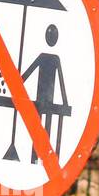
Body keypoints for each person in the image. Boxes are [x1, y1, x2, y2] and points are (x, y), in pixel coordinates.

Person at [20, 24, 70, 163]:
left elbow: (60, 79)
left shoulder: (53, 58)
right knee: (37, 129)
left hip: (47, 100)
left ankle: (43, 159)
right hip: (40, 99)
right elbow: (29, 73)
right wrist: (18, 85)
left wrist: (65, 101)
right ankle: (34, 157)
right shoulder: (46, 57)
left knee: (44, 129)